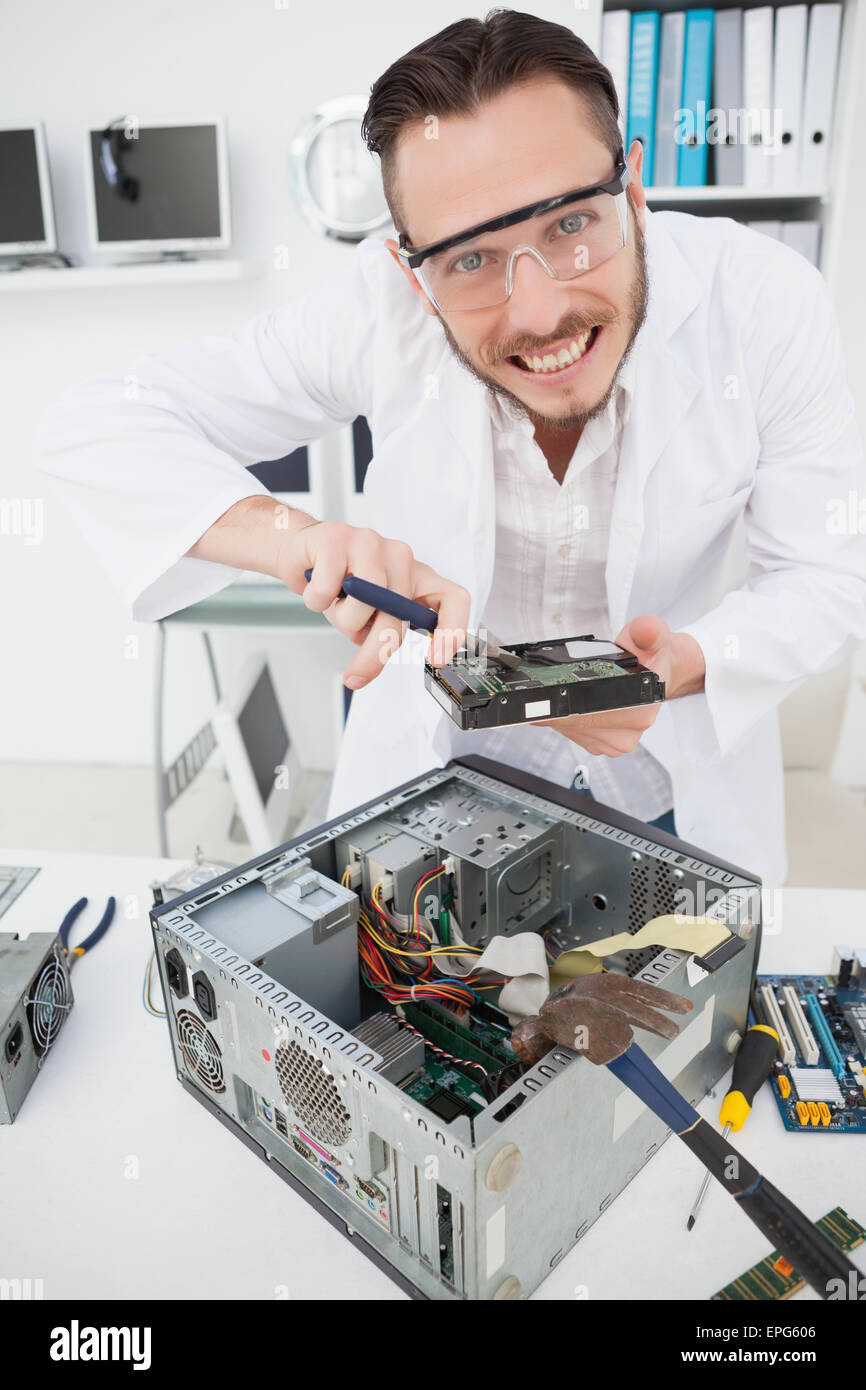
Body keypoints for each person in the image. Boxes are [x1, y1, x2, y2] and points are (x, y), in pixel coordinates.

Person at [37, 10, 866, 887]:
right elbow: (98, 422)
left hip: (669, 784)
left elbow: (826, 577)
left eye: (569, 224)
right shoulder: (376, 311)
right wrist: (298, 541)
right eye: (470, 259)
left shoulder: (766, 303)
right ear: (408, 272)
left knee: (677, 1009)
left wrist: (684, 669)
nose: (540, 313)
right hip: (436, 795)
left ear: (631, 191)